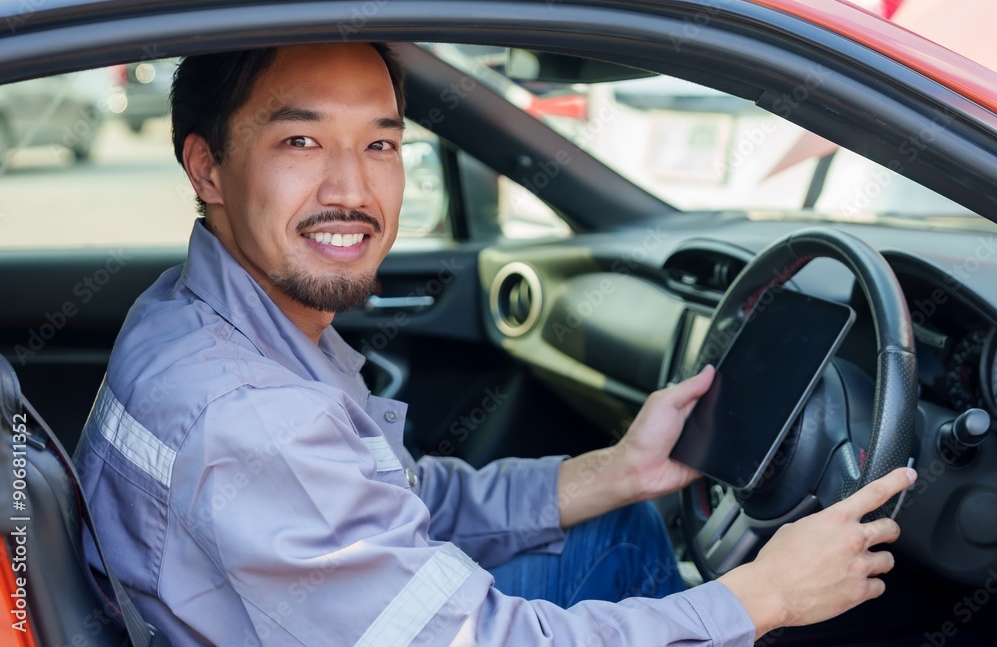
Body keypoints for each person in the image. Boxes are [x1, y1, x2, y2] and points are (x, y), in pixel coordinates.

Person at [74, 42, 915, 646]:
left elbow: (389, 503)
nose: (352, 187)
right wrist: (761, 596)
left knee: (616, 530)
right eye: (301, 140)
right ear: (207, 167)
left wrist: (618, 470)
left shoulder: (194, 316)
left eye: (380, 143)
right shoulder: (253, 418)